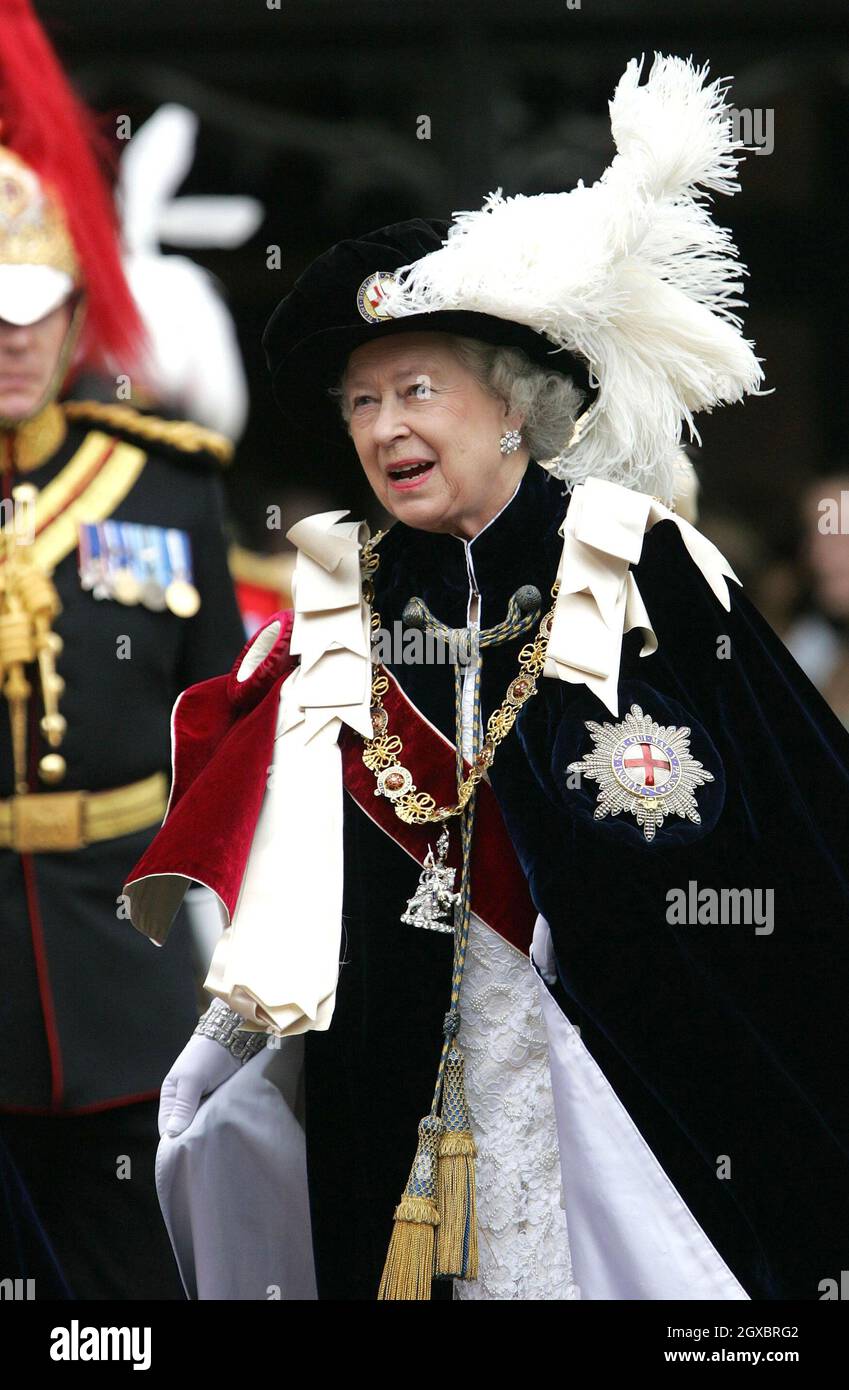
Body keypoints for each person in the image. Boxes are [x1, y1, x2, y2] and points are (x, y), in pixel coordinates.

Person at [124, 54, 849, 1301]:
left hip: (625, 1078)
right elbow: (268, 853)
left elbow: (799, 825)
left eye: (418, 389)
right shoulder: (332, 597)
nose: (386, 426)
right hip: (383, 1088)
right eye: (361, 402)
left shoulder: (644, 566)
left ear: (511, 406)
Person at [0, 1, 245, 1298]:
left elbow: (222, 738)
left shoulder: (163, 490)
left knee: (133, 1300)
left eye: (32, 302)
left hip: (123, 974)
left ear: (77, 306)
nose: (9, 333)